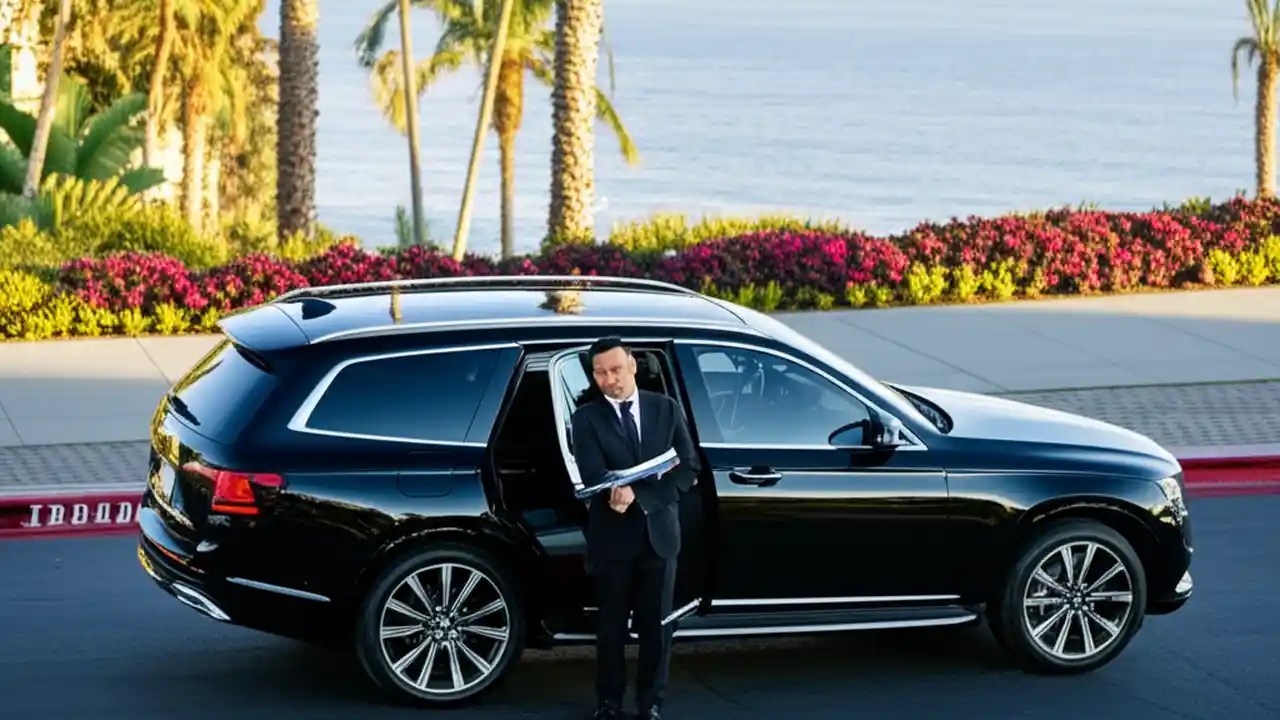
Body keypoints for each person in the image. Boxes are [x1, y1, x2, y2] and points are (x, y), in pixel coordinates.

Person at [571, 337, 701, 720]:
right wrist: (614, 488)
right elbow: (593, 472)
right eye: (600, 373)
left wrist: (640, 493)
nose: (609, 379)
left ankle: (651, 704)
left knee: (657, 627)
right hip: (612, 538)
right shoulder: (586, 418)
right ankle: (608, 703)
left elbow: (689, 467)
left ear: (632, 365)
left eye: (615, 369)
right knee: (610, 627)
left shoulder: (665, 408)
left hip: (659, 535)